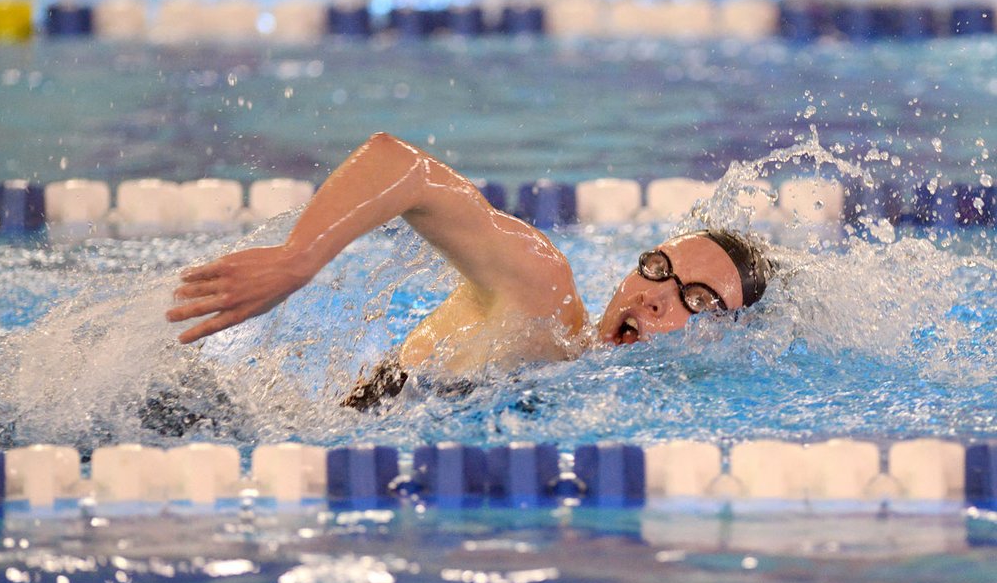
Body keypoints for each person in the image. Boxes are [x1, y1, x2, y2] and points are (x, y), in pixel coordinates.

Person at [165, 132, 770, 410]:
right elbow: (400, 164)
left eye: (698, 300)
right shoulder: (540, 294)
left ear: (726, 343)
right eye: (657, 269)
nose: (658, 297)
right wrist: (300, 258)